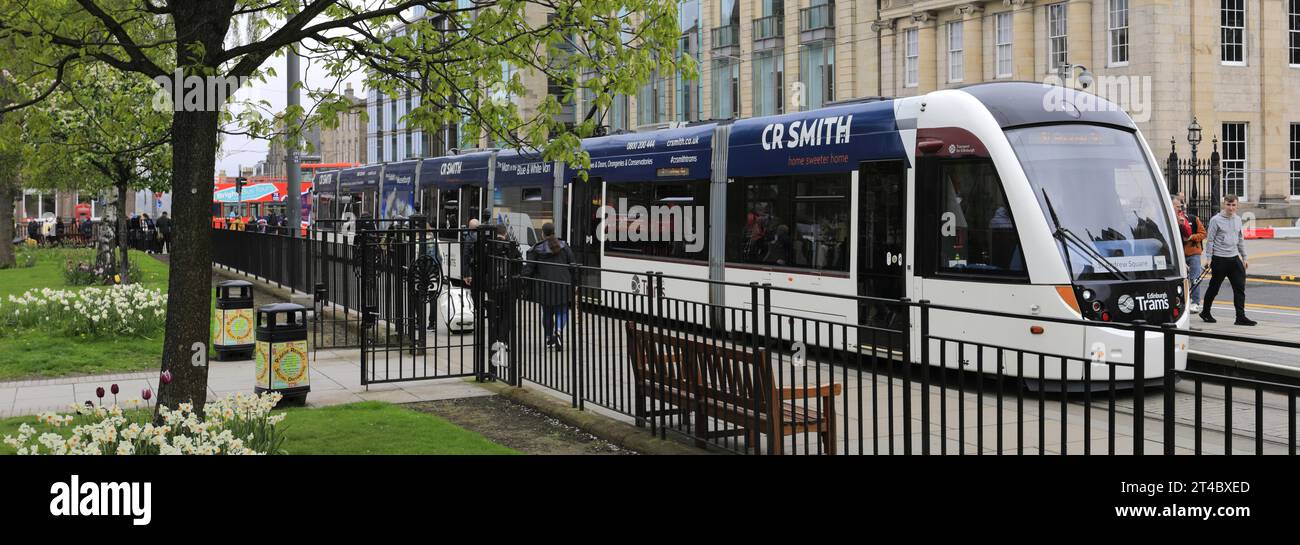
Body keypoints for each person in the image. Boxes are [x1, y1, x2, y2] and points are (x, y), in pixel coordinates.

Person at [1200, 195, 1254, 326]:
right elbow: (1210, 240)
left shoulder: (1238, 219)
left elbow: (1240, 239)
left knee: (1239, 288)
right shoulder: (1215, 220)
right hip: (1219, 259)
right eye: (1228, 205)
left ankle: (1240, 317)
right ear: (1224, 204)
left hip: (1234, 258)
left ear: (1237, 206)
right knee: (1214, 288)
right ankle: (1205, 312)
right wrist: (1208, 258)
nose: (1231, 208)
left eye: (1233, 205)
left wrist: (1244, 257)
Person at [523, 222, 577, 351]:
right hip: (563, 284)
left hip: (544, 286)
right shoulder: (564, 247)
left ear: (542, 233)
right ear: (554, 232)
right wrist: (574, 283)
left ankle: (549, 338)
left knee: (547, 312)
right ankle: (558, 330)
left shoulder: (536, 249)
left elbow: (529, 269)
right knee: (562, 311)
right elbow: (573, 265)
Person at [1172, 195, 1206, 313]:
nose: (1180, 209)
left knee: (1194, 278)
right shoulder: (1169, 220)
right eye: (1177, 207)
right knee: (1179, 279)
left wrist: (1192, 237)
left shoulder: (1192, 219)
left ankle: (1195, 302)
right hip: (1178, 254)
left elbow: (1203, 234)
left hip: (1193, 253)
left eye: (1180, 206)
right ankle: (1182, 301)